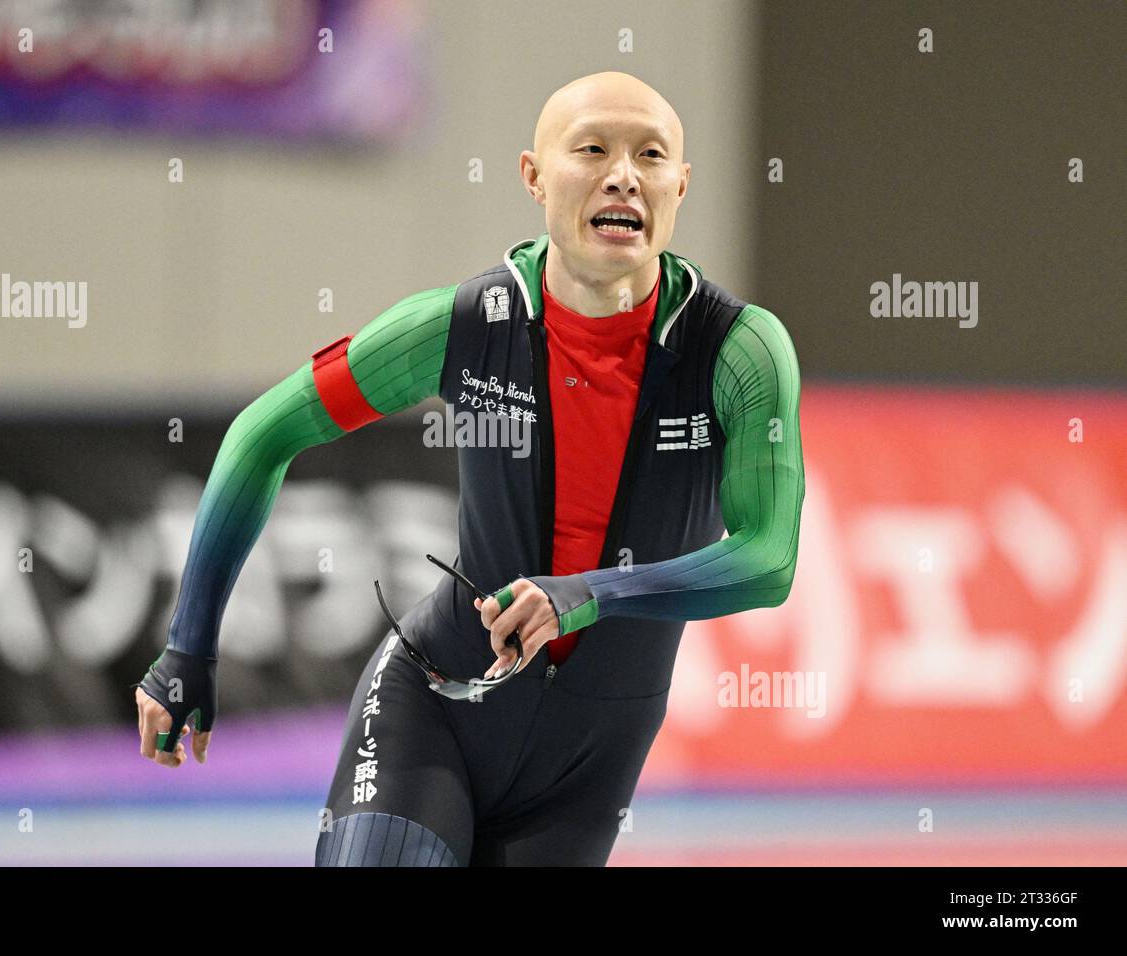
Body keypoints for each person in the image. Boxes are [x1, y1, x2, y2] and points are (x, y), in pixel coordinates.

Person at [135, 71, 805, 866]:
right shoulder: (464, 325)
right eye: (592, 149)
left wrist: (588, 595)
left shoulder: (737, 350)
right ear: (533, 176)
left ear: (681, 186)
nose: (624, 173)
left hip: (586, 774)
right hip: (433, 710)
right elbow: (259, 435)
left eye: (651, 156)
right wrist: (189, 647)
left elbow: (770, 560)